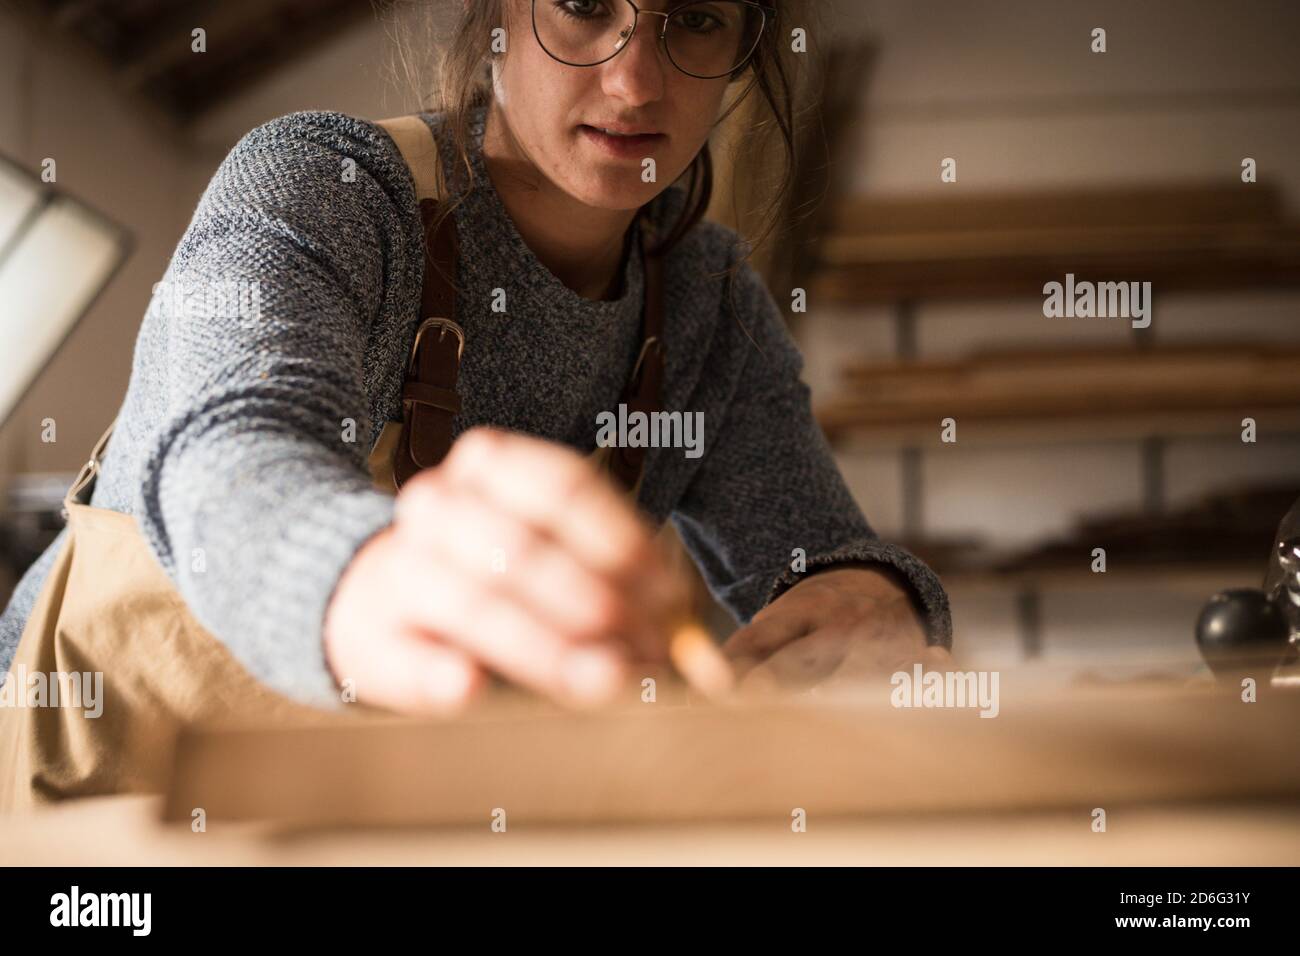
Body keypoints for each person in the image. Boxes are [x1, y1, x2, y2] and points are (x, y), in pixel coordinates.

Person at [0, 0, 952, 721]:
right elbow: (223, 452)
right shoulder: (323, 187)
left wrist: (872, 597)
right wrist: (353, 574)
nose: (635, 84)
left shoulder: (708, 303)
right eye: (584, 4)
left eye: (695, 21)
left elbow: (815, 554)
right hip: (90, 767)